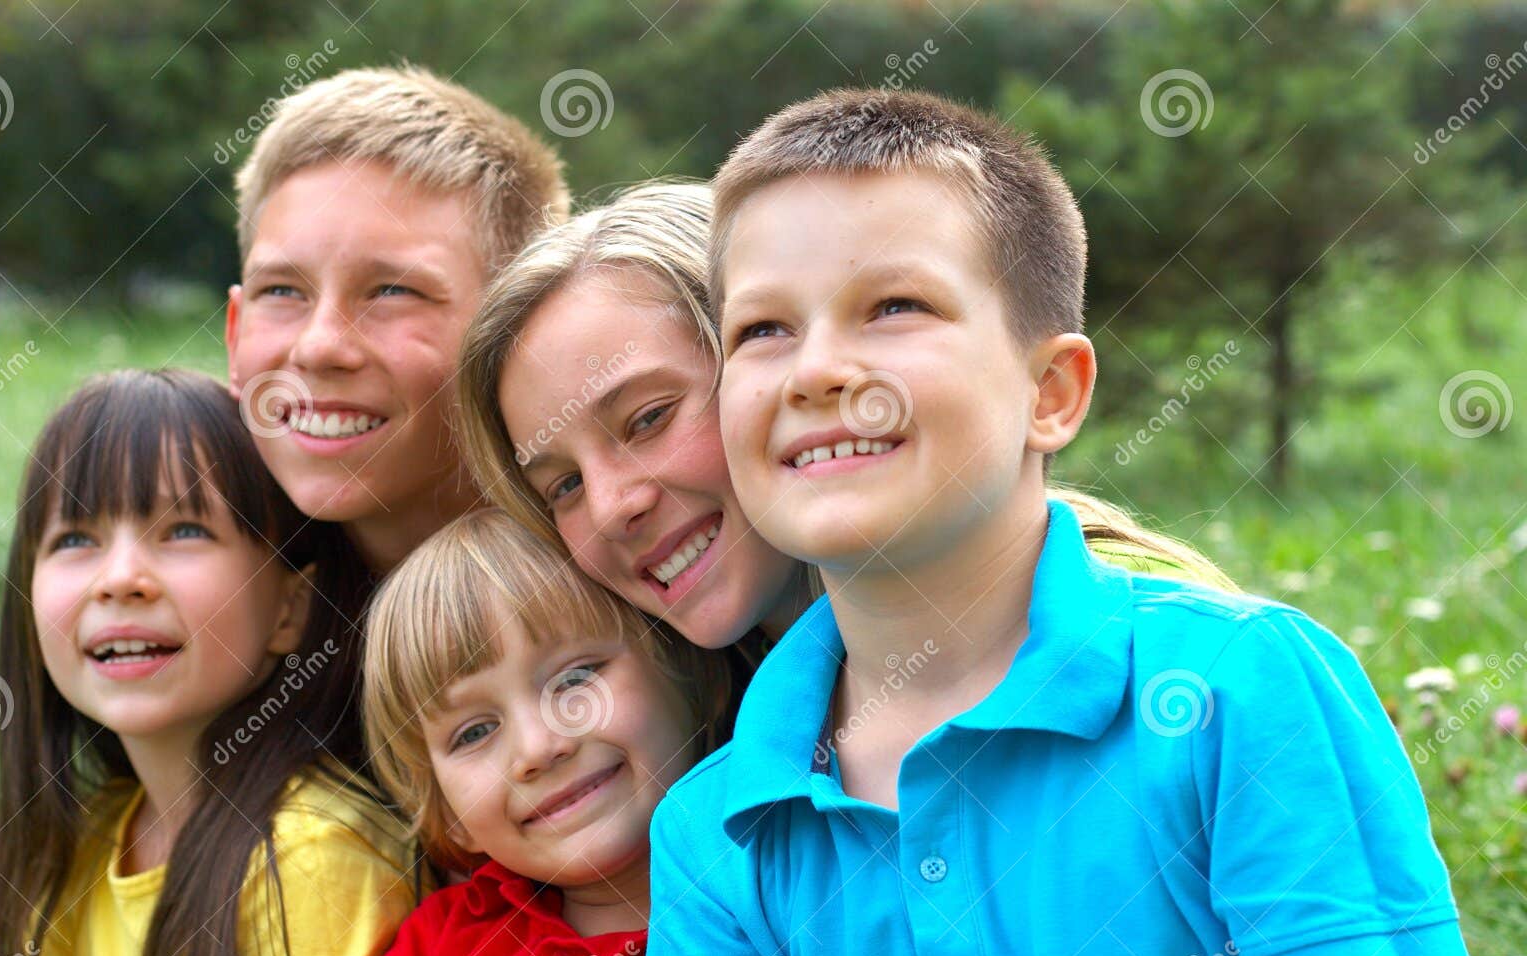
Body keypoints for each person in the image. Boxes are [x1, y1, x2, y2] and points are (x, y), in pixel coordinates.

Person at [645, 89, 1490, 956]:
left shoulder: (1241, 688)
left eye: (893, 307)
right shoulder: (715, 843)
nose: (816, 370)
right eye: (762, 330)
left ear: (1050, 394)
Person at [454, 181, 1232, 662]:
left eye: (650, 418)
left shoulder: (1157, 636)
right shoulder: (684, 743)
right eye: (561, 485)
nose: (614, 504)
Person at [0, 369, 417, 956]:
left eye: (182, 529)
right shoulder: (85, 841)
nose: (120, 577)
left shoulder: (304, 856)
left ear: (289, 610)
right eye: (74, 539)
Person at [355, 510, 729, 956]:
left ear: (683, 671)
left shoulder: (779, 892)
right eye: (475, 732)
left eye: (575, 680)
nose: (538, 747)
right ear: (448, 811)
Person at [225, 65, 570, 573]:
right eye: (281, 290)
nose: (319, 346)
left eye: (391, 291)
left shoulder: (626, 582)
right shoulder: (206, 604)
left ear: (516, 335)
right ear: (234, 334)